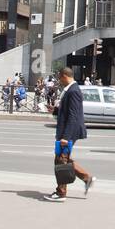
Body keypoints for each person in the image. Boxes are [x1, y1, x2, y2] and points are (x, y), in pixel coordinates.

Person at [46, 68, 92, 201]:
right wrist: (55, 110)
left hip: (69, 132)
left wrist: (66, 137)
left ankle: (61, 193)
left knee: (60, 161)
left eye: (60, 78)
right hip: (67, 130)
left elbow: (73, 115)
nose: (59, 81)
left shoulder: (74, 91)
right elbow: (67, 111)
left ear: (65, 76)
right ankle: (87, 179)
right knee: (62, 159)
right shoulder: (71, 90)